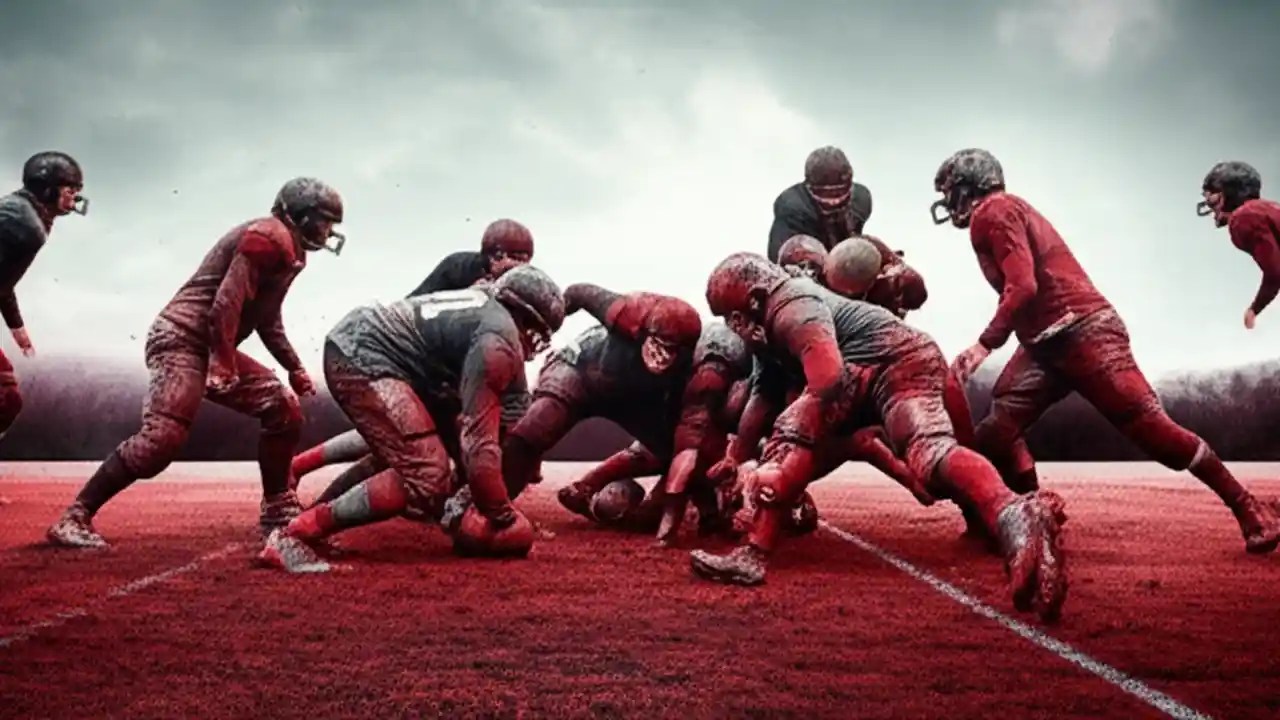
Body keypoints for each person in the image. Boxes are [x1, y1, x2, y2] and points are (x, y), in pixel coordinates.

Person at [688, 252, 1069, 623]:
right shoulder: (770, 327)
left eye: (732, 316)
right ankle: (1012, 513)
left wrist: (784, 434)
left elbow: (828, 378)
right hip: (871, 366)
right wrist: (736, 456)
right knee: (910, 453)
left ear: (755, 299)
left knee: (910, 451)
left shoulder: (793, 304)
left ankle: (1010, 510)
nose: (732, 326)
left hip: (896, 362)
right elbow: (764, 393)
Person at [935, 148, 1280, 555]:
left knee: (1156, 433)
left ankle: (1247, 506)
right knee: (998, 428)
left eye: (950, 192)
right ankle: (1030, 514)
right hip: (1046, 342)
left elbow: (1023, 286)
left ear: (965, 188)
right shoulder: (1004, 210)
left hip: (1082, 331)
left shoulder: (992, 212)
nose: (947, 203)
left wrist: (983, 344)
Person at [47, 177, 345, 548]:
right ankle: (75, 516)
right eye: (325, 220)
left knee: (282, 408)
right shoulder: (269, 236)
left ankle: (277, 508)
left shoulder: (288, 251)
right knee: (161, 440)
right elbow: (224, 304)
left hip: (208, 342)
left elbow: (267, 319)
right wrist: (222, 362)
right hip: (182, 338)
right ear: (300, 215)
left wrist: (293, 366)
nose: (330, 231)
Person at [258, 265, 564, 572]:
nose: (534, 348)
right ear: (525, 318)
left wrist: (478, 487)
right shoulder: (499, 342)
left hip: (368, 344)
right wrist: (501, 513)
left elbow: (500, 425)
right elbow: (479, 442)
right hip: (366, 354)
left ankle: (310, 517)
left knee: (407, 457)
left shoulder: (486, 309)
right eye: (538, 335)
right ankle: (294, 535)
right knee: (427, 473)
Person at [290, 218, 536, 490]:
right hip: (420, 365)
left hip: (447, 370)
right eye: (515, 259)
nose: (520, 267)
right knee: (403, 445)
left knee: (413, 444)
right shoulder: (459, 270)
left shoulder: (514, 287)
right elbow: (414, 308)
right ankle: (316, 491)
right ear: (494, 255)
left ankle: (308, 474)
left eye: (526, 260)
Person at [501, 284, 703, 507]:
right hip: (581, 369)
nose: (662, 356)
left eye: (672, 350)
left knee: (674, 452)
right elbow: (576, 293)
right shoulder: (627, 311)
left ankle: (585, 487)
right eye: (659, 344)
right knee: (535, 428)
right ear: (644, 331)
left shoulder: (692, 364)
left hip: (633, 398)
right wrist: (541, 332)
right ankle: (492, 503)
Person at [0, 151, 89, 506]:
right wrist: (17, 326)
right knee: (5, 397)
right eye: (70, 189)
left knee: (7, 394)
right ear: (49, 189)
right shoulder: (28, 226)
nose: (75, 198)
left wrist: (18, 330)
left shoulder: (21, 211)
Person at [1197, 161, 1280, 330]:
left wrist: (1254, 308)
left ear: (1228, 194)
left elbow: (1275, 272)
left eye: (1212, 198)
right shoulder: (1268, 208)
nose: (1211, 207)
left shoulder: (1242, 218)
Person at [767, 146, 873, 261]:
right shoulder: (791, 207)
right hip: (801, 266)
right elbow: (777, 257)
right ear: (808, 187)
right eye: (824, 193)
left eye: (839, 191)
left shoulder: (861, 200)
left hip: (847, 262)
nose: (834, 201)